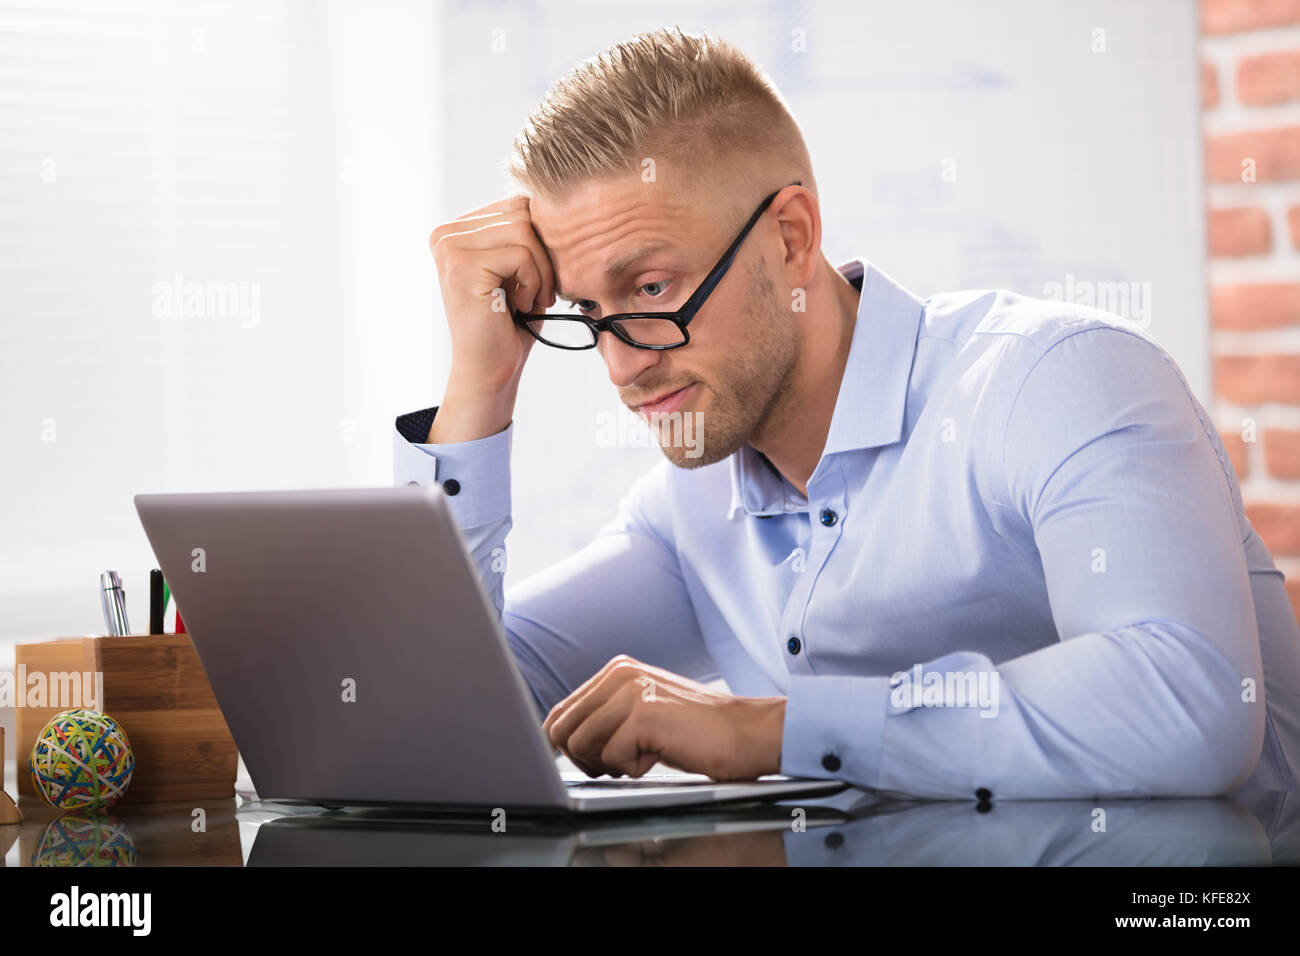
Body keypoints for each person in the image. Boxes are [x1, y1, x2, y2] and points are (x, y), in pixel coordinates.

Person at [393, 27, 1300, 799]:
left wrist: (778, 730)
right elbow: (433, 726)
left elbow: (1193, 701)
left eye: (652, 287)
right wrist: (482, 383)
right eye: (588, 314)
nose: (624, 362)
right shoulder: (689, 520)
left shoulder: (1056, 380)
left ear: (791, 237)